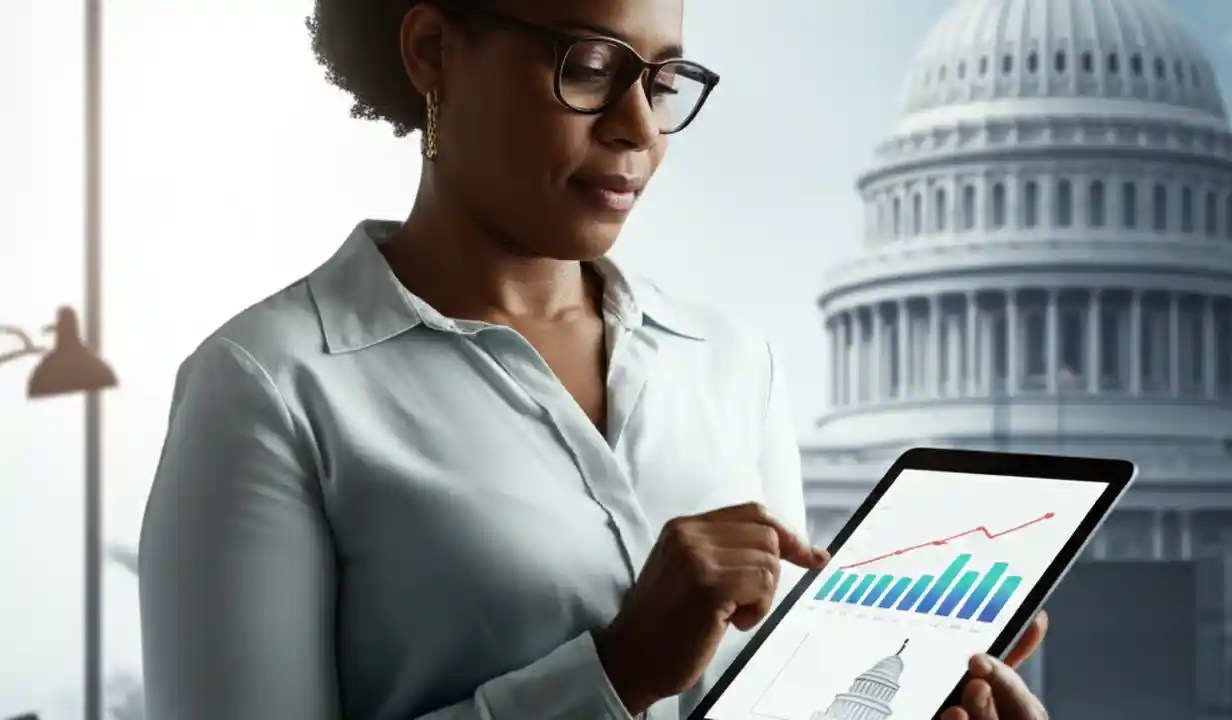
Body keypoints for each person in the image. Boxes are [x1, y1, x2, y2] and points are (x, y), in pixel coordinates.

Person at [136, 1, 1051, 718]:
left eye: (662, 79)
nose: (638, 128)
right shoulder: (269, 389)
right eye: (589, 65)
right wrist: (617, 673)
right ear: (432, 51)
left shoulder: (732, 368)